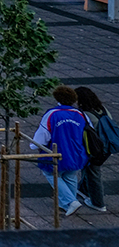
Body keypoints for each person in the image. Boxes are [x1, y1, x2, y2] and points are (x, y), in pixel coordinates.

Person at [31, 85, 89, 217]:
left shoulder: (52, 114)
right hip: (76, 152)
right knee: (70, 176)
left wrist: (34, 146)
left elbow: (43, 135)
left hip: (56, 151)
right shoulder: (80, 114)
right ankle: (67, 203)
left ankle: (70, 202)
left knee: (51, 174)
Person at [75, 86, 110, 212]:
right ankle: (83, 189)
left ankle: (98, 203)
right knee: (89, 169)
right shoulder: (102, 109)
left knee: (93, 173)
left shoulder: (85, 115)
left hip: (95, 149)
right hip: (107, 145)